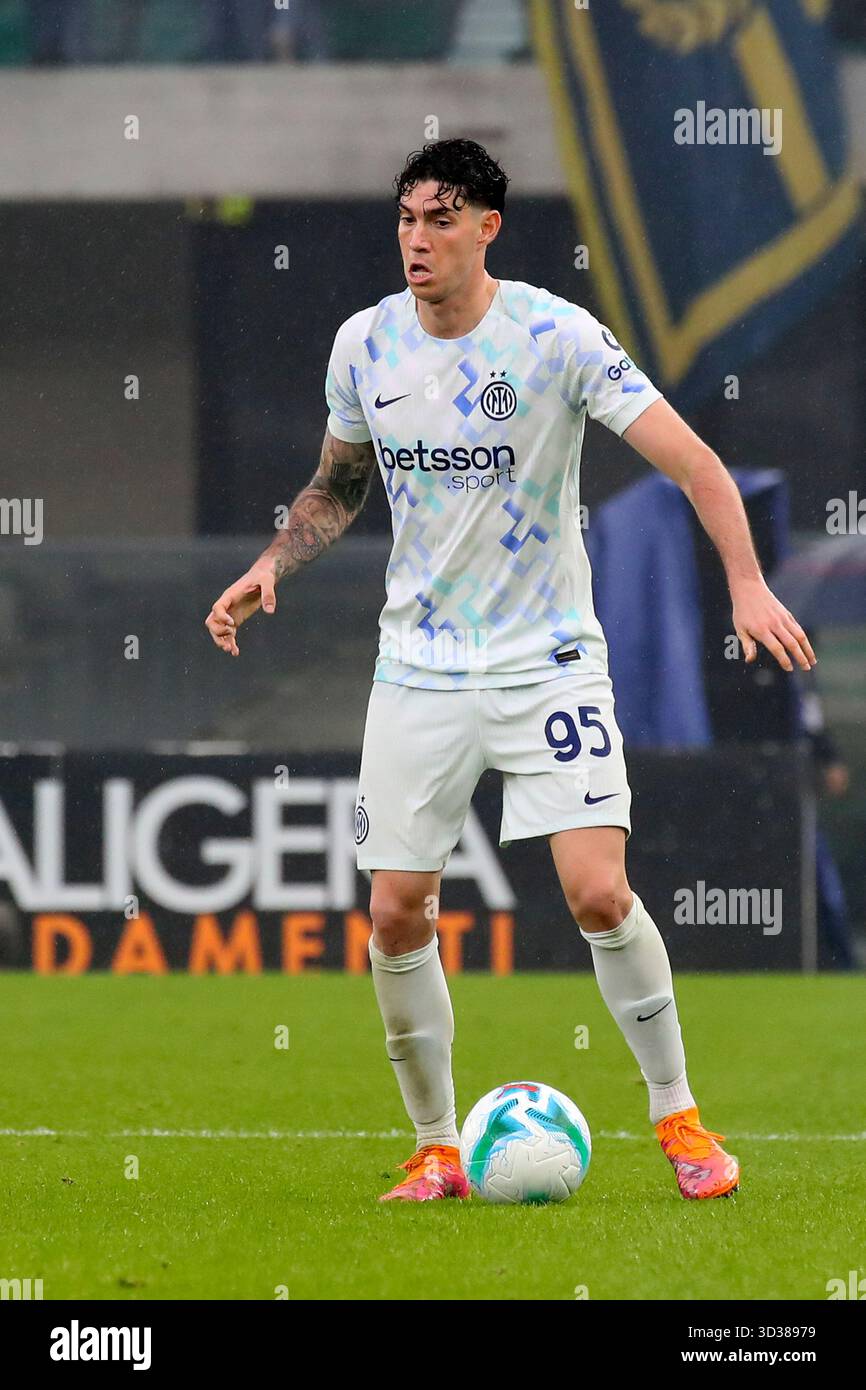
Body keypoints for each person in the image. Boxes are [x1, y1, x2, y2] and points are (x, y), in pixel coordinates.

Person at [206, 138, 816, 1202]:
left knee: (595, 890)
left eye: (440, 218)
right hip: (419, 668)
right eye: (405, 217)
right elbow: (337, 486)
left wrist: (746, 584)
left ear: (488, 226)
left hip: (547, 662)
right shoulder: (365, 346)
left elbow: (693, 462)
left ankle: (677, 1119)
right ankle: (436, 1148)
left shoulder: (553, 335)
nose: (416, 237)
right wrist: (271, 564)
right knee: (396, 910)